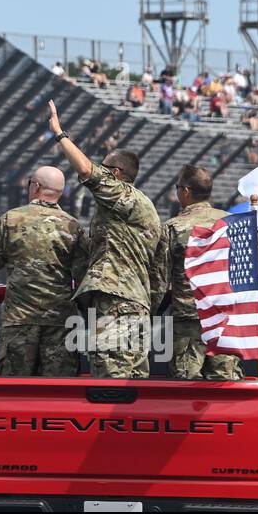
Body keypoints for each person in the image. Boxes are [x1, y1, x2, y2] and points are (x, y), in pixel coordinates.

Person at [47, 99, 159, 378]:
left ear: (117, 174)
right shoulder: (129, 211)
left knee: (112, 381)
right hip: (129, 304)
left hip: (119, 304)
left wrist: (60, 134)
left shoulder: (127, 197)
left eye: (106, 168)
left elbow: (87, 171)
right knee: (131, 383)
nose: (101, 171)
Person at [150, 164, 258, 380]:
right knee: (225, 387)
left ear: (185, 191)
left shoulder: (172, 228)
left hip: (189, 322)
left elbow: (159, 281)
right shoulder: (236, 224)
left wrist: (150, 313)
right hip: (226, 320)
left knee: (186, 386)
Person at [0, 165, 89, 377]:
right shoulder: (73, 226)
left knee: (13, 390)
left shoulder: (11, 220)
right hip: (59, 324)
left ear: (35, 186)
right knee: (59, 394)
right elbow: (84, 275)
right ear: (60, 192)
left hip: (19, 321)